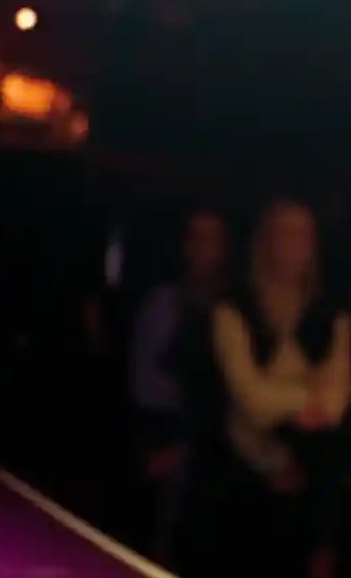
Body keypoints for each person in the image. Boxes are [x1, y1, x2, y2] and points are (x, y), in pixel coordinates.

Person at [196, 199, 351, 578]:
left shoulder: (330, 313)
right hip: (246, 449)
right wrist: (302, 400)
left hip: (314, 449)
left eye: (302, 235)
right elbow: (249, 397)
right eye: (284, 233)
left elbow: (337, 388)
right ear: (264, 242)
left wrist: (313, 409)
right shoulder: (232, 310)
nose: (294, 245)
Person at [129, 208, 228, 560]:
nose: (205, 248)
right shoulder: (163, 304)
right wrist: (171, 444)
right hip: (173, 451)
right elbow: (145, 387)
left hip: (226, 459)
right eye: (196, 238)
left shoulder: (236, 307)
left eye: (213, 238)